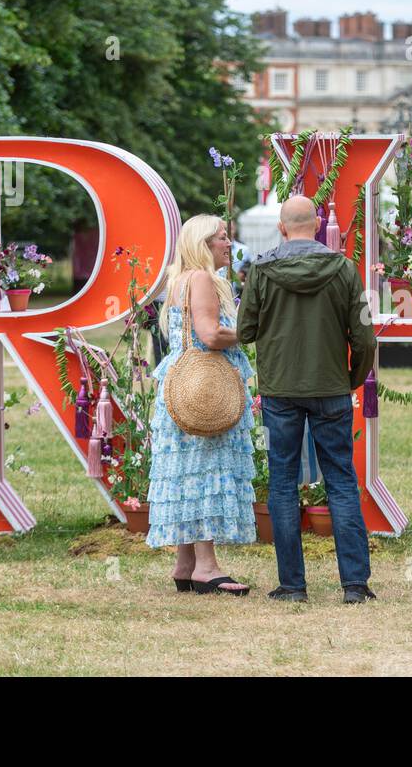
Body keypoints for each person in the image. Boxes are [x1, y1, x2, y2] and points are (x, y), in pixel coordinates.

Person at [237, 195, 377, 604]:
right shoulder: (345, 269)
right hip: (331, 388)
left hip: (280, 390)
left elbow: (246, 331)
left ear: (282, 228)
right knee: (341, 483)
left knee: (282, 484)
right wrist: (350, 377)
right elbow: (365, 336)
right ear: (317, 226)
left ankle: (292, 586)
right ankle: (355, 585)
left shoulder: (261, 271)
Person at [145, 214, 256, 594]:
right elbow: (209, 335)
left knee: (187, 472)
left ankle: (185, 563)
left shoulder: (179, 280)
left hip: (182, 385)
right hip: (207, 389)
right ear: (203, 244)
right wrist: (251, 333)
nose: (229, 243)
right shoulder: (205, 279)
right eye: (221, 238)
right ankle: (207, 568)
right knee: (207, 470)